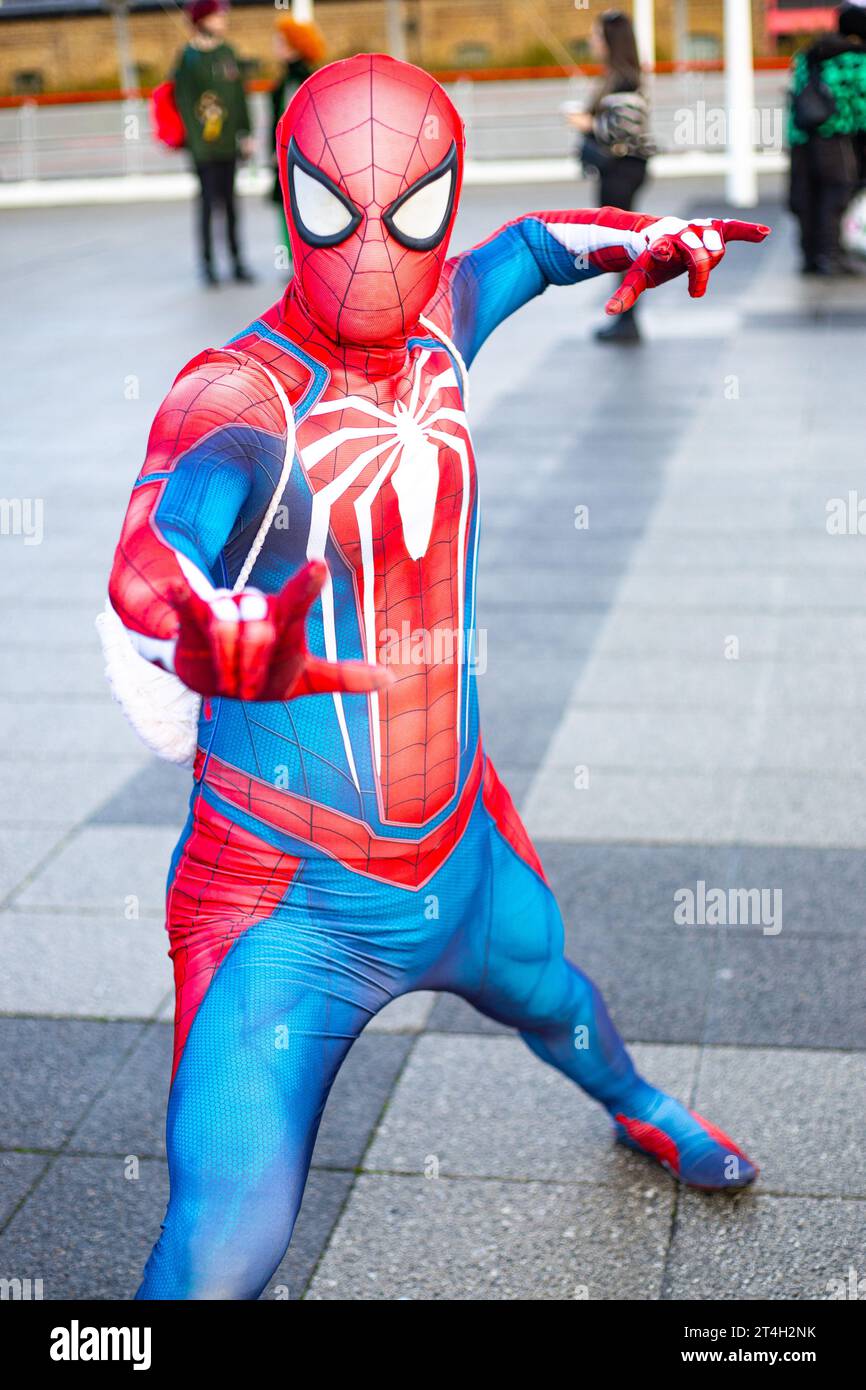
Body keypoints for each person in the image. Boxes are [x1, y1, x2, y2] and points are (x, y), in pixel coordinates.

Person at [105, 53, 768, 1301]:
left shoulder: (442, 323)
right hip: (283, 903)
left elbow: (533, 245)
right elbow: (155, 547)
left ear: (443, 201)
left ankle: (638, 1102)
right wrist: (199, 624)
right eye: (333, 209)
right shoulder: (235, 391)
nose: (373, 253)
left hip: (457, 841)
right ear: (282, 192)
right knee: (223, 1242)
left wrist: (648, 234)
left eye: (408, 211)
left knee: (557, 996)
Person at [567, 9, 653, 342]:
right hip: (620, 171)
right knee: (619, 244)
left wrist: (587, 123)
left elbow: (626, 128)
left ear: (609, 41)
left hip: (622, 171)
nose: (592, 41)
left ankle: (628, 318)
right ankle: (625, 315)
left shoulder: (625, 80)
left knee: (622, 246)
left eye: (596, 35)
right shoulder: (618, 78)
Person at [173, 0, 254, 285]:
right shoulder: (187, 58)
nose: (223, 19)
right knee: (208, 205)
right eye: (218, 15)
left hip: (228, 145)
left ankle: (237, 261)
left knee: (231, 204)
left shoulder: (227, 53)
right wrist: (196, 143)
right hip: (203, 148)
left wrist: (246, 133)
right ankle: (207, 265)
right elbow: (182, 103)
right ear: (203, 19)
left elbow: (239, 97)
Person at [788, 3, 866, 275]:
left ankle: (811, 255)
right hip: (833, 135)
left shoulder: (811, 52)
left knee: (807, 193)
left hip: (801, 135)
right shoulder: (854, 58)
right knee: (837, 191)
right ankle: (831, 254)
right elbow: (859, 103)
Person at [269, 15, 325, 267]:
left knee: (293, 207)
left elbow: (290, 118)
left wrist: (278, 148)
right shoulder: (292, 78)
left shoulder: (295, 80)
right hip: (299, 154)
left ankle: (297, 258)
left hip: (296, 155)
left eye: (281, 42)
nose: (275, 46)